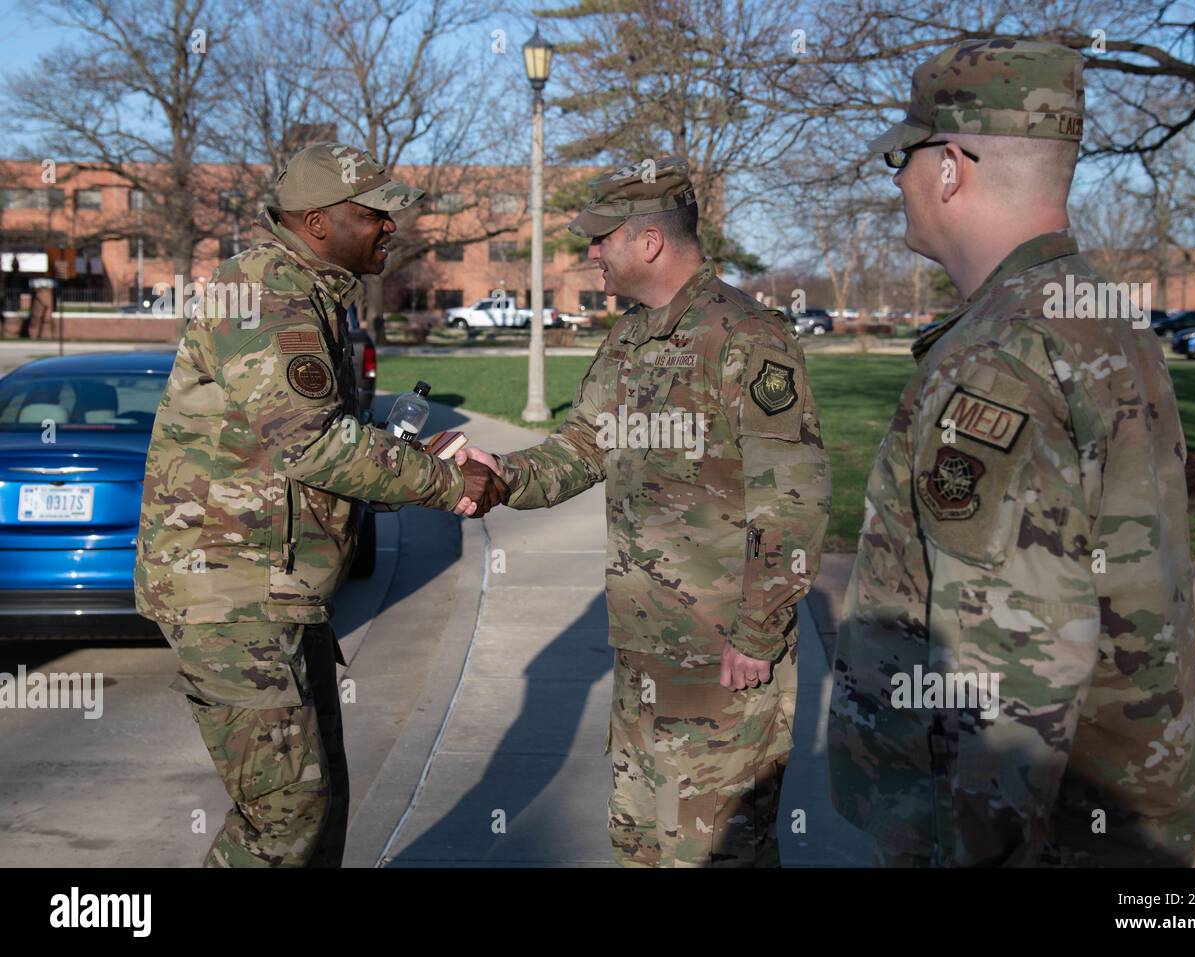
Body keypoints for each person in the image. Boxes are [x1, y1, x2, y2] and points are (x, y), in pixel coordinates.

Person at [828, 38, 1195, 867]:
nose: (897, 179)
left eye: (905, 156)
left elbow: (1005, 675)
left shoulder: (1002, 356)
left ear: (951, 167)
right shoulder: (1100, 320)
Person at [135, 142, 506, 868]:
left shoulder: (311, 290)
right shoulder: (269, 292)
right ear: (315, 221)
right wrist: (447, 485)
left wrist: (409, 462)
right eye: (374, 213)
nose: (388, 227)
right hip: (232, 592)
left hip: (280, 593)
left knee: (320, 802)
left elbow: (299, 443)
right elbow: (314, 445)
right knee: (284, 815)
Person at [455, 155, 832, 866]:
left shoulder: (747, 337)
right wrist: (501, 477)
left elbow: (793, 499)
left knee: (718, 849)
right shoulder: (628, 339)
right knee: (643, 844)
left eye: (601, 238)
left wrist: (756, 633)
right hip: (644, 657)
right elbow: (579, 449)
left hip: (723, 659)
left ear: (650, 241)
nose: (590, 253)